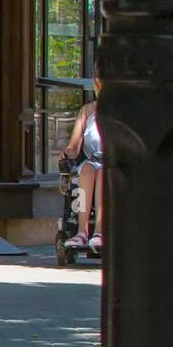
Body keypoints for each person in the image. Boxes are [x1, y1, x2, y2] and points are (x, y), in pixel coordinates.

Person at [61, 72, 105, 252]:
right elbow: (74, 146)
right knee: (87, 169)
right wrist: (67, 152)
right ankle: (82, 232)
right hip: (92, 161)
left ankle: (100, 232)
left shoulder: (124, 111)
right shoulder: (87, 111)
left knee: (103, 172)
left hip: (115, 165)